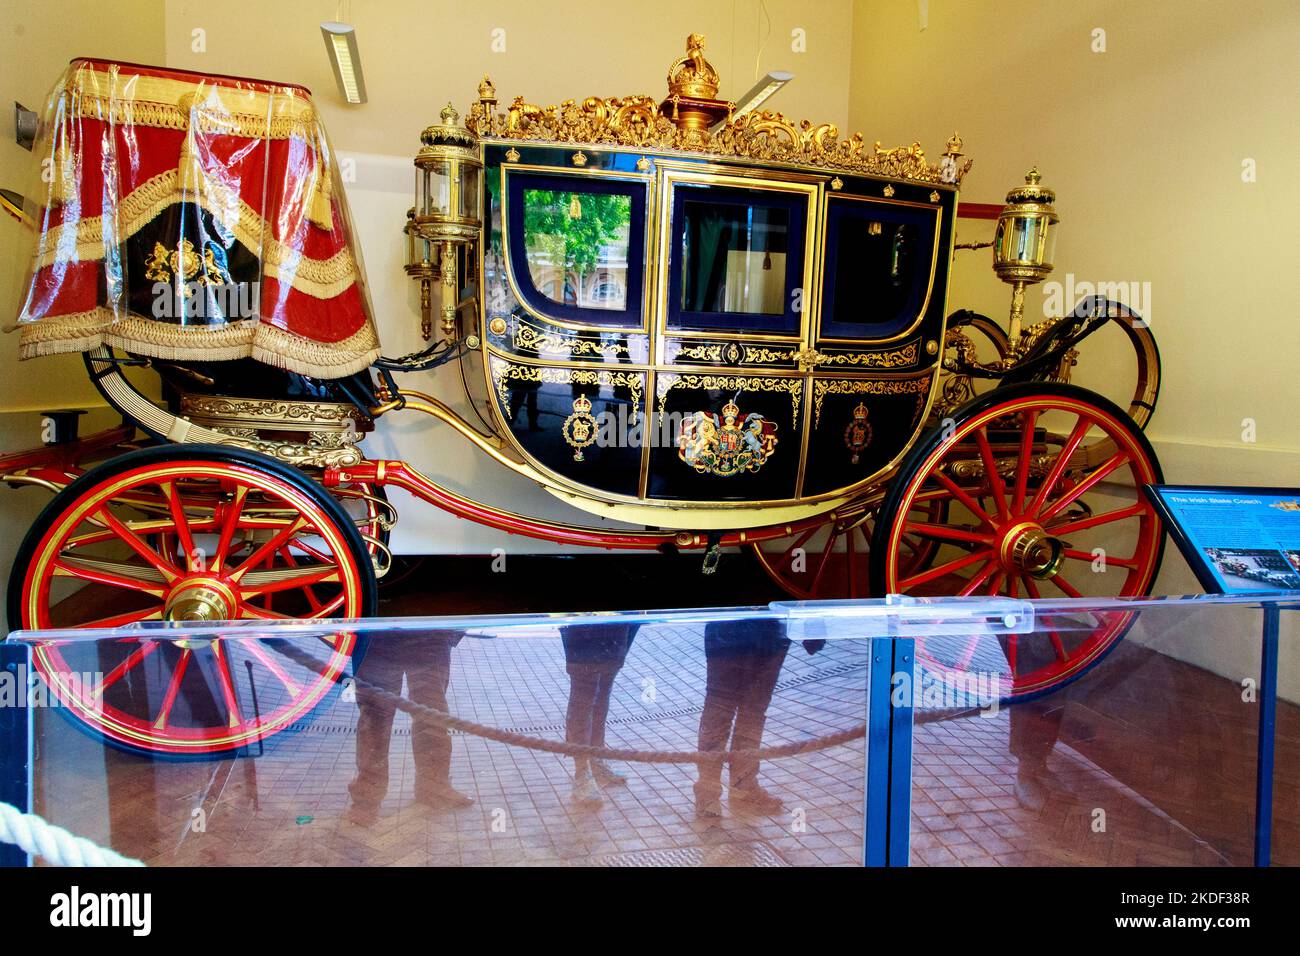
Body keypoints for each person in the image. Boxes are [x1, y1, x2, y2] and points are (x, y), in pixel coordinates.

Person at [347, 629, 473, 826]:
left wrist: (447, 634)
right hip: (379, 636)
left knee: (433, 711)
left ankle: (434, 787)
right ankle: (366, 801)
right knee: (375, 718)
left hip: (429, 635)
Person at [694, 617, 791, 818]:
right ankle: (709, 792)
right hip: (730, 623)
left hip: (770, 628)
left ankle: (743, 787)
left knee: (752, 709)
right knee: (721, 706)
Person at [560, 622, 638, 806]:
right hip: (585, 620)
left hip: (619, 620)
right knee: (585, 686)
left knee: (604, 684)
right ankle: (582, 773)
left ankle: (596, 760)